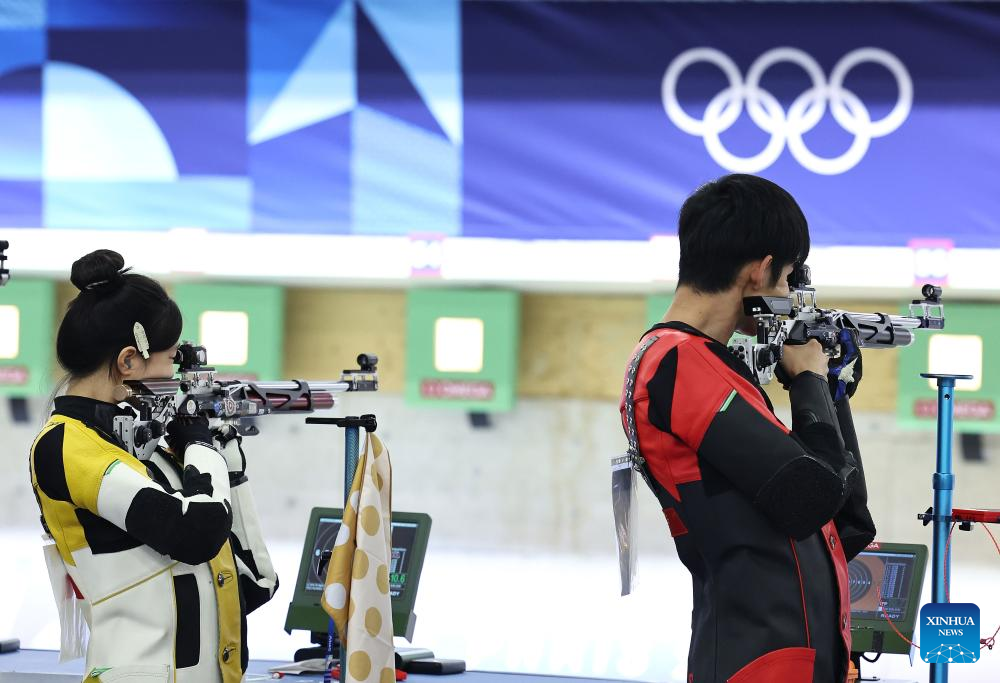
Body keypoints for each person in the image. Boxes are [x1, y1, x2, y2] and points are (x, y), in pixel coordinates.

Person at [620, 175, 876, 683]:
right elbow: (807, 499)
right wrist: (806, 380)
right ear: (760, 271)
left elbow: (847, 523)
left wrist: (829, 388)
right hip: (760, 662)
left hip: (790, 655)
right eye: (786, 279)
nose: (785, 295)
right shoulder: (676, 362)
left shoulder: (704, 363)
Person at [29, 250, 278, 682]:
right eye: (170, 359)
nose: (175, 376)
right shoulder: (64, 446)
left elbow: (253, 586)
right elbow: (195, 534)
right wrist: (201, 448)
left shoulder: (148, 451)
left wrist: (231, 472)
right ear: (128, 361)